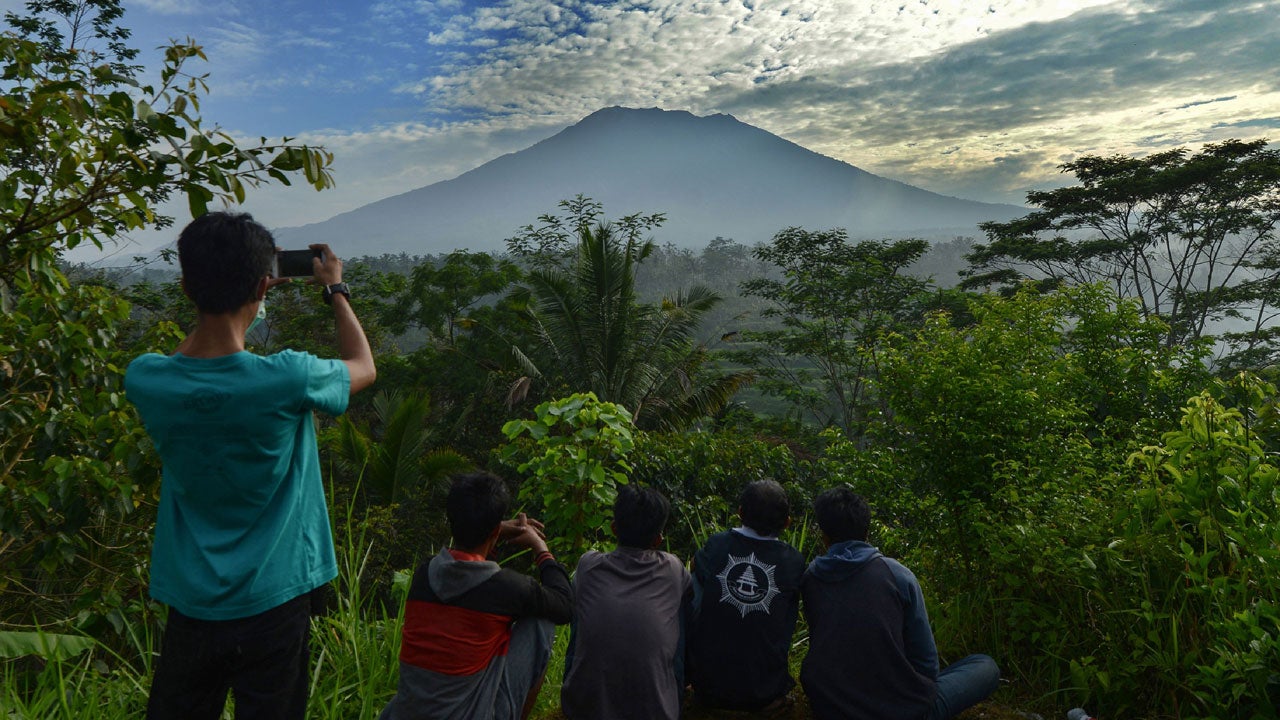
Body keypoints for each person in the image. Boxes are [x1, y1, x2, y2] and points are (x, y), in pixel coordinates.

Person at [125, 211, 377, 719]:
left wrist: (238, 302)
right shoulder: (288, 377)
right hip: (276, 598)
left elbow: (187, 363)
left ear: (185, 286)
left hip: (191, 602)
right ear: (265, 283)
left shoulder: (147, 379)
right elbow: (364, 367)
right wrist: (336, 289)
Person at [379, 471, 572, 720]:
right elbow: (564, 605)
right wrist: (540, 547)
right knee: (541, 621)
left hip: (408, 713)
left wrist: (497, 529)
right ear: (494, 532)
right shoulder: (507, 588)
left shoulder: (423, 575)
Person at [800, 488, 1000, 720]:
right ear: (867, 532)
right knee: (985, 666)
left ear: (824, 536)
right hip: (901, 710)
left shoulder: (811, 577)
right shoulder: (897, 575)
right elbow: (926, 664)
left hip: (831, 705)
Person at [560, 485, 692, 720]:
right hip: (657, 712)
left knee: (583, 613)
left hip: (583, 710)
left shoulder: (587, 565)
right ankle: (675, 690)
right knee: (677, 609)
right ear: (658, 540)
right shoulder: (672, 568)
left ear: (613, 529)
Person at [687, 479, 805, 713]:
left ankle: (689, 672)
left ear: (739, 512)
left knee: (695, 579)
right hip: (765, 691)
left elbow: (695, 568)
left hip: (708, 688)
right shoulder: (793, 560)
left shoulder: (717, 544)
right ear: (787, 523)